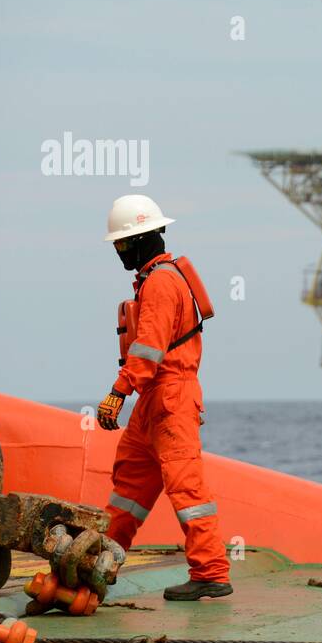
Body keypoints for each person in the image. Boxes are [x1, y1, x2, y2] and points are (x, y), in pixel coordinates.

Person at [95, 195, 232, 601]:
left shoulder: (160, 283)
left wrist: (116, 394)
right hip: (155, 401)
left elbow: (147, 352)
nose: (119, 252)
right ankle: (104, 561)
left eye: (122, 244)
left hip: (169, 398)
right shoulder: (158, 280)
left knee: (187, 490)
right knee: (129, 485)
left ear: (140, 240)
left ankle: (210, 573)